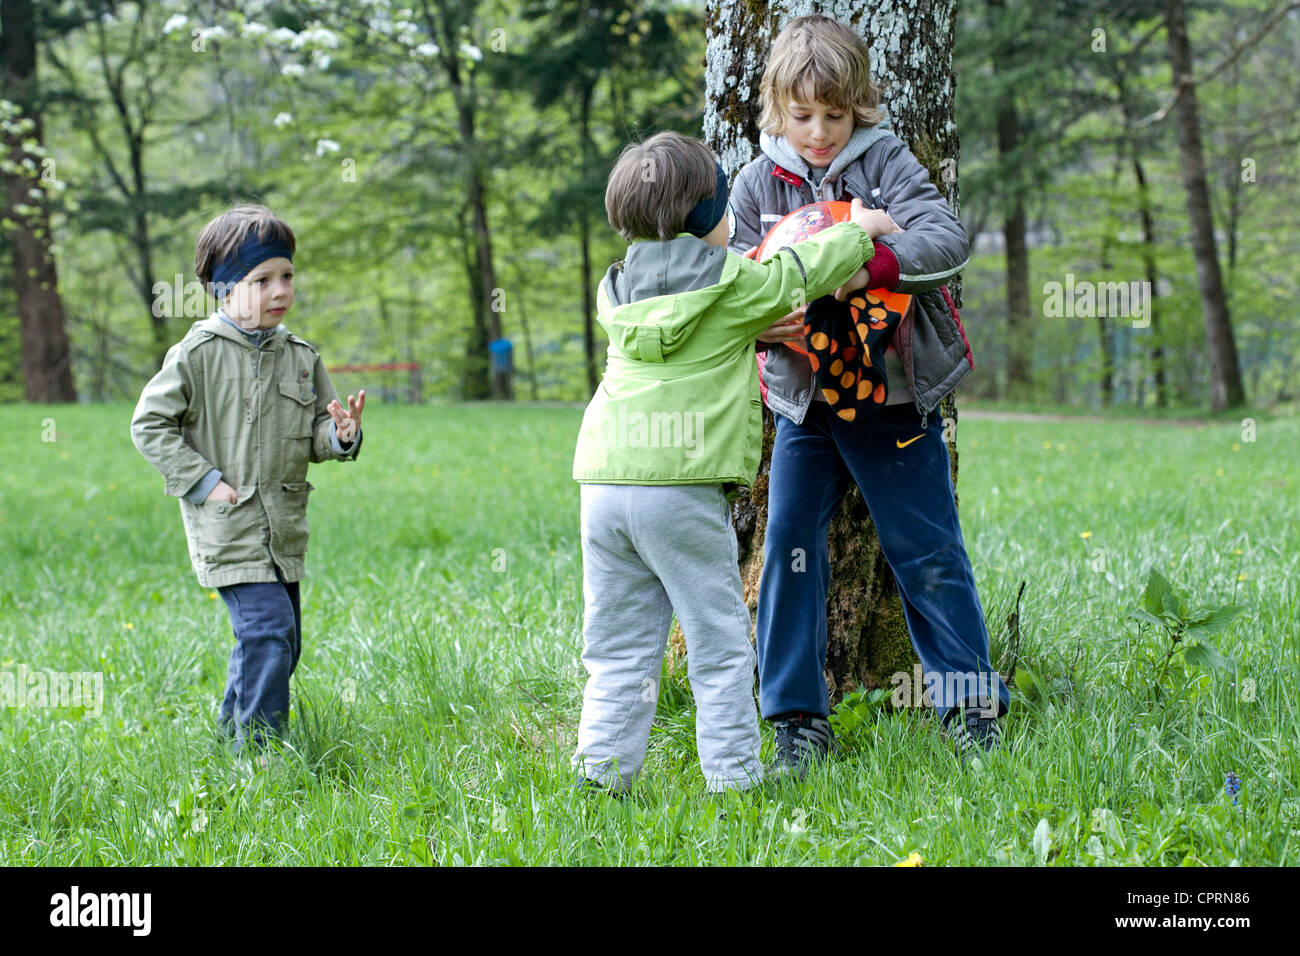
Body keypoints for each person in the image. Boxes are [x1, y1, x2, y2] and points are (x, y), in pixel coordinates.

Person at [571, 130, 899, 793]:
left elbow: (702, 325)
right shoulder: (728, 279)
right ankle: (736, 780)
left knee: (617, 650)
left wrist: (744, 323)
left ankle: (600, 779)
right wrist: (858, 230)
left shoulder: (618, 287)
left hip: (603, 485)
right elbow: (794, 277)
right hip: (679, 490)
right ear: (707, 218)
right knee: (719, 645)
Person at [727, 15, 1010, 775]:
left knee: (927, 551)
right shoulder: (757, 183)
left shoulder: (885, 162)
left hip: (893, 399)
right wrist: (766, 321)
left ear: (860, 107)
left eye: (836, 113)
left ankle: (970, 708)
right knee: (787, 543)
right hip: (806, 405)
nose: (820, 132)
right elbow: (730, 283)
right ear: (775, 110)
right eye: (803, 114)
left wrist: (868, 266)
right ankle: (795, 720)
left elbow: (945, 241)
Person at [130, 204, 365, 753]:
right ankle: (259, 755)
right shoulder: (196, 356)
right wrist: (203, 479)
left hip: (282, 529)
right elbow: (149, 425)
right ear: (224, 288)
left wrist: (343, 436)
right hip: (228, 525)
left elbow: (316, 433)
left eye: (286, 276)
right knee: (267, 633)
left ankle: (230, 733)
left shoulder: (302, 358)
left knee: (284, 641)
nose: (279, 289)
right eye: (263, 280)